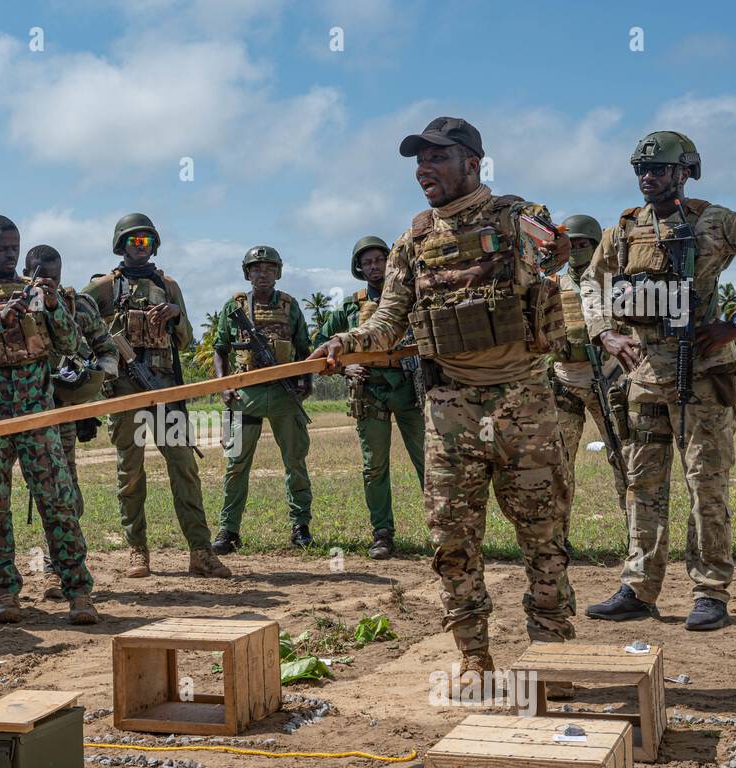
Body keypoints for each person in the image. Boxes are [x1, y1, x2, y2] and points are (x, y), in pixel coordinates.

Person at [311, 117, 575, 697]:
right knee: (452, 542)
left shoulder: (517, 217)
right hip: (450, 409)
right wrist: (347, 341)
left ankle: (551, 651)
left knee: (543, 535)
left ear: (472, 163)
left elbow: (554, 257)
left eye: (437, 158)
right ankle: (474, 657)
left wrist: (551, 249)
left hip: (524, 405)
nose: (423, 170)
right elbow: (388, 318)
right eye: (418, 161)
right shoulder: (412, 241)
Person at [584, 131, 736, 631]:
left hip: (703, 374)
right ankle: (638, 589)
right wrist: (604, 332)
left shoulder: (718, 221)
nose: (648, 177)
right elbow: (591, 282)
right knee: (642, 486)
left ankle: (710, 592)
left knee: (706, 485)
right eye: (641, 169)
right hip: (644, 376)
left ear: (685, 171)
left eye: (658, 169)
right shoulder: (623, 229)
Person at [0, 215, 98, 625]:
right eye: (1, 248)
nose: (10, 255)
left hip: (36, 414)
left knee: (58, 502)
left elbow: (72, 343)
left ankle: (78, 592)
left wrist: (54, 305)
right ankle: (5, 593)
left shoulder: (37, 292)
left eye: (14, 247)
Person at [82, 214, 230, 579]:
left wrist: (175, 314)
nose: (140, 247)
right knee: (130, 472)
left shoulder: (169, 285)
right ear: (121, 244)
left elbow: (186, 339)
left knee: (184, 467)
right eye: (134, 241)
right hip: (124, 391)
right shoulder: (103, 287)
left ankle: (201, 551)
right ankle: (138, 550)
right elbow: (74, 322)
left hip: (164, 387)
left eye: (146, 241)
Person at [314, 235, 425, 559]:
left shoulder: (412, 299)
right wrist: (345, 368)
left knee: (429, 462)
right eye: (367, 262)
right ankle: (382, 534)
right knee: (374, 467)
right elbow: (321, 344)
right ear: (359, 268)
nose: (375, 266)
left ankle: (444, 534)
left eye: (380, 260)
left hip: (409, 388)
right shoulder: (350, 307)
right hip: (369, 392)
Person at [27, 243, 119, 600]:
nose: (47, 282)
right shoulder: (13, 301)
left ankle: (55, 570)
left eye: (54, 276)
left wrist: (87, 391)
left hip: (61, 411)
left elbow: (106, 351)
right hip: (11, 408)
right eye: (40, 276)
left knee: (63, 494)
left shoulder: (78, 305)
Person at [212, 245, 314, 552]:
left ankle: (301, 526)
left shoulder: (290, 305)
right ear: (248, 274)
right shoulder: (233, 307)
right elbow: (220, 349)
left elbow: (304, 348)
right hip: (245, 394)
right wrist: (223, 385)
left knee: (295, 462)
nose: (262, 274)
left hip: (284, 394)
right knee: (236, 464)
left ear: (278, 273)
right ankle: (228, 530)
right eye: (256, 269)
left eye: (269, 268)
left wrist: (306, 382)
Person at [551, 214, 627, 543]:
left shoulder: (613, 284)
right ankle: (557, 540)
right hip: (563, 380)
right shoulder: (553, 285)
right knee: (558, 465)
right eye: (572, 244)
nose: (577, 249)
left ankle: (636, 536)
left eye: (584, 243)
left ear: (596, 245)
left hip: (607, 379)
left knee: (623, 458)